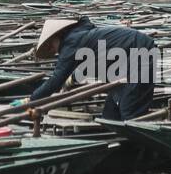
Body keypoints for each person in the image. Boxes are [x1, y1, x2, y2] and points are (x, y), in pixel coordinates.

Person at [28, 15, 158, 120]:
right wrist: (70, 80)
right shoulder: (79, 38)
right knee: (110, 115)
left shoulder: (71, 42)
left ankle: (142, 148)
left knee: (129, 111)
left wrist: (31, 100)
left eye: (51, 45)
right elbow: (87, 65)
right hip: (124, 64)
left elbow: (56, 80)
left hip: (140, 53)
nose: (53, 50)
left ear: (58, 36)